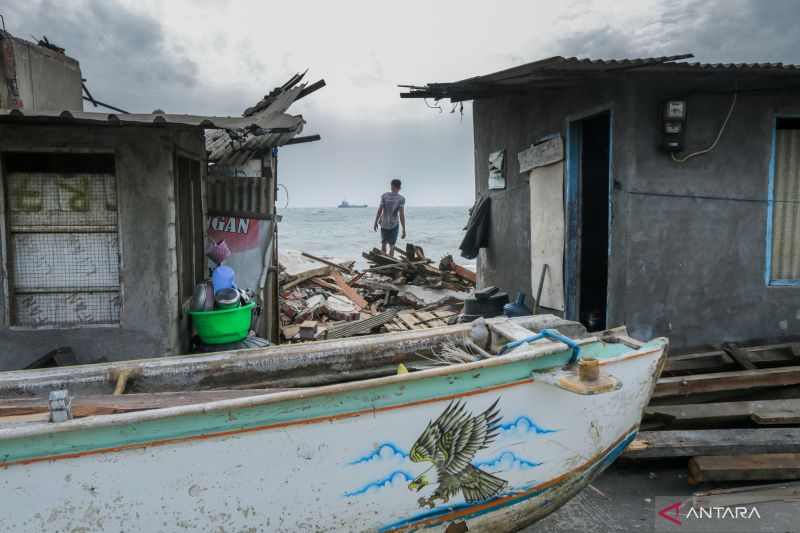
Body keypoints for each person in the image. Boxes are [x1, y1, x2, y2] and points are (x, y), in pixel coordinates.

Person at [373, 178, 406, 256]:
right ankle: (390, 261)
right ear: (400, 188)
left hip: (384, 223)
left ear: (391, 186)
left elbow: (380, 209)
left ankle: (383, 261)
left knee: (383, 243)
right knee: (392, 246)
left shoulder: (384, 196)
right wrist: (404, 229)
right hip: (394, 224)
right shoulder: (401, 199)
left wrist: (375, 222)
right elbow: (401, 214)